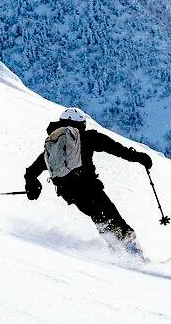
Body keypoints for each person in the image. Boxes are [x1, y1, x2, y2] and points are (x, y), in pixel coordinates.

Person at [24, 107, 153, 257]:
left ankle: (118, 254)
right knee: (113, 218)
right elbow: (115, 149)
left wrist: (32, 185)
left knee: (99, 217)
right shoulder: (88, 137)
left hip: (70, 193)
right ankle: (136, 257)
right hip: (89, 187)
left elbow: (31, 171)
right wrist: (138, 157)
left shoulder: (52, 147)